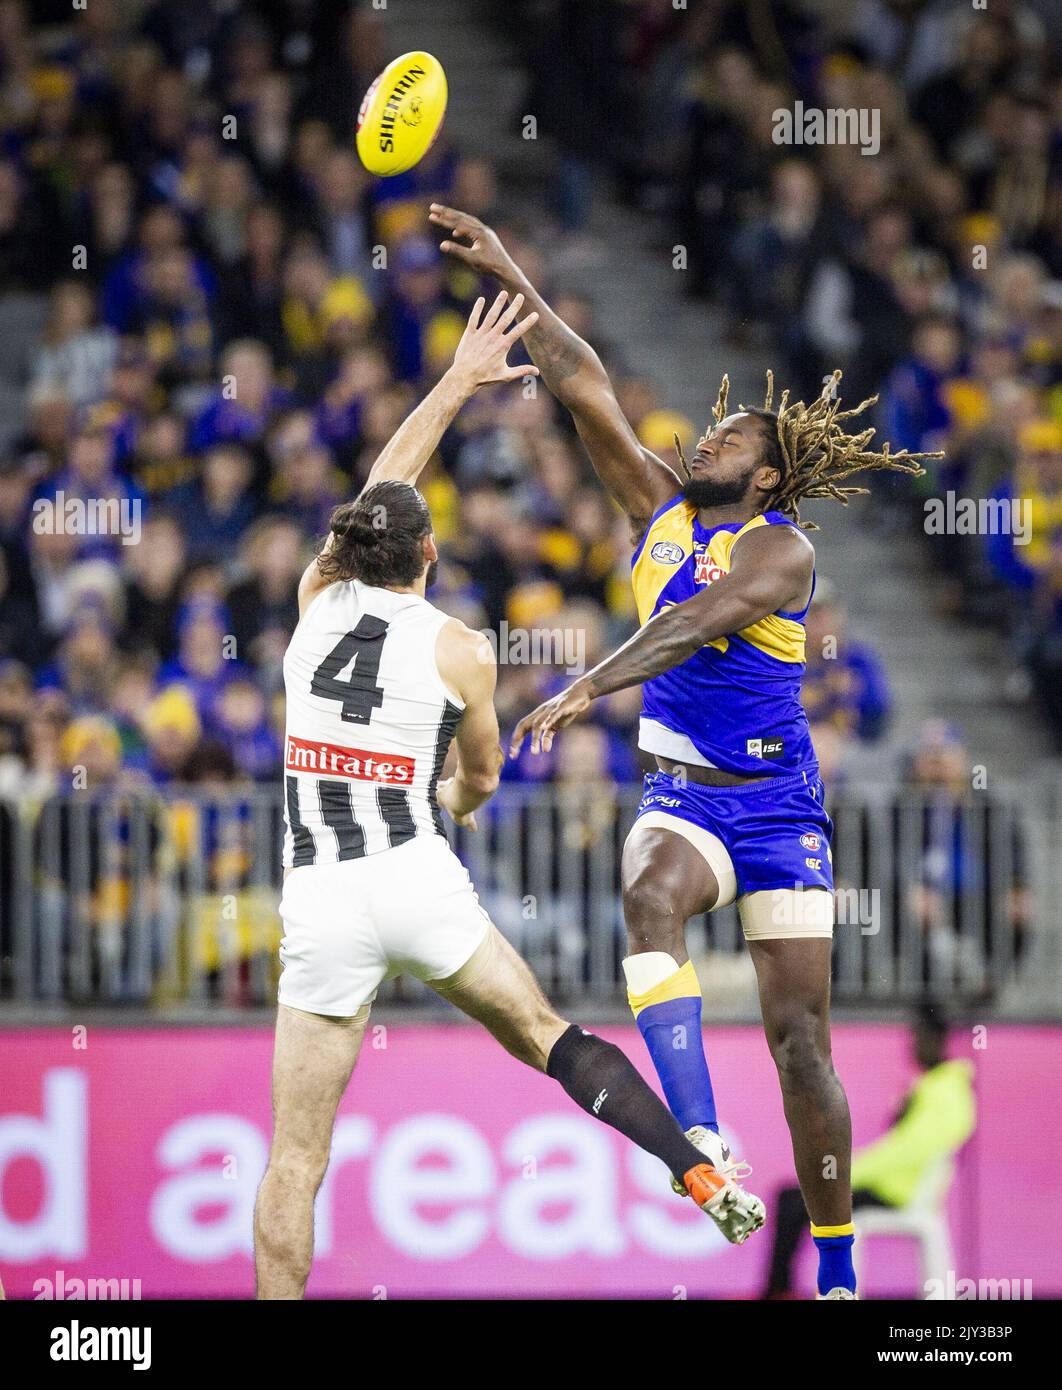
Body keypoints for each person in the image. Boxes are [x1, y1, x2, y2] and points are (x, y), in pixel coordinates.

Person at [429, 204, 940, 1294]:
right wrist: (515, 268)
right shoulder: (658, 512)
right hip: (688, 801)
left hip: (779, 808)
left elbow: (691, 627)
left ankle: (839, 1273)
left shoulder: (780, 546)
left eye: (732, 439)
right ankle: (702, 1141)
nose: (705, 438)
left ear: (765, 477)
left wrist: (584, 683)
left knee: (802, 1044)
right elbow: (580, 381)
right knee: (648, 890)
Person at [253, 292, 745, 1299]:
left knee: (296, 1159)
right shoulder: (462, 649)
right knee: (549, 1036)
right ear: (429, 557)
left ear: (342, 549)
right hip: (416, 877)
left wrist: (452, 381)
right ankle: (695, 1166)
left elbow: (387, 478)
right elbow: (480, 775)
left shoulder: (313, 597)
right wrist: (460, 793)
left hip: (323, 896)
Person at [763, 1005, 976, 1298]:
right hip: (888, 1185)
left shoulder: (948, 1092)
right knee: (791, 1196)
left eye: (917, 1037)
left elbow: (907, 1151)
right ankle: (782, 1289)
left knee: (792, 1200)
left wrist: (844, 1174)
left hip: (896, 1193)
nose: (911, 1045)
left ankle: (778, 1291)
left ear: (936, 1040)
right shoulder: (930, 1088)